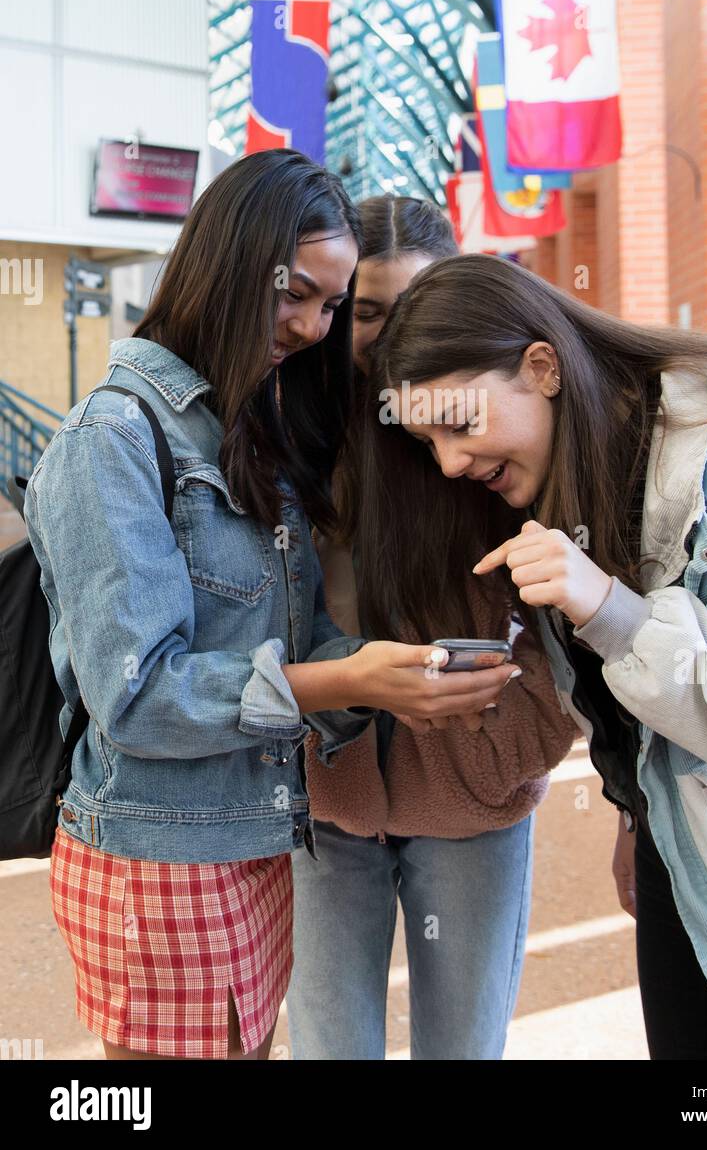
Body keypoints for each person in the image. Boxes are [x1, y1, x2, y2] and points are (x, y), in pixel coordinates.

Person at [24, 153, 515, 1062]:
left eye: (332, 306)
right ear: (229, 255)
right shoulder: (113, 439)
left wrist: (395, 673)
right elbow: (137, 698)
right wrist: (344, 681)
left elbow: (293, 632)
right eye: (298, 293)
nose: (312, 327)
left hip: (249, 836)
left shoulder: (243, 423)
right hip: (159, 850)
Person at [357, 250, 707, 1061]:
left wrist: (613, 613)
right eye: (428, 441)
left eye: (461, 424)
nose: (451, 462)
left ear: (542, 366)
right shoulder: (576, 473)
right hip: (696, 857)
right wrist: (637, 813)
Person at [286, 195, 577, 1061]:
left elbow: (572, 598)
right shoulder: (302, 422)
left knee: (462, 1045)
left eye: (408, 310)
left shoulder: (498, 418)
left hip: (475, 776)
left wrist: (520, 736)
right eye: (362, 312)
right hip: (330, 777)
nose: (380, 338)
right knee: (333, 1046)